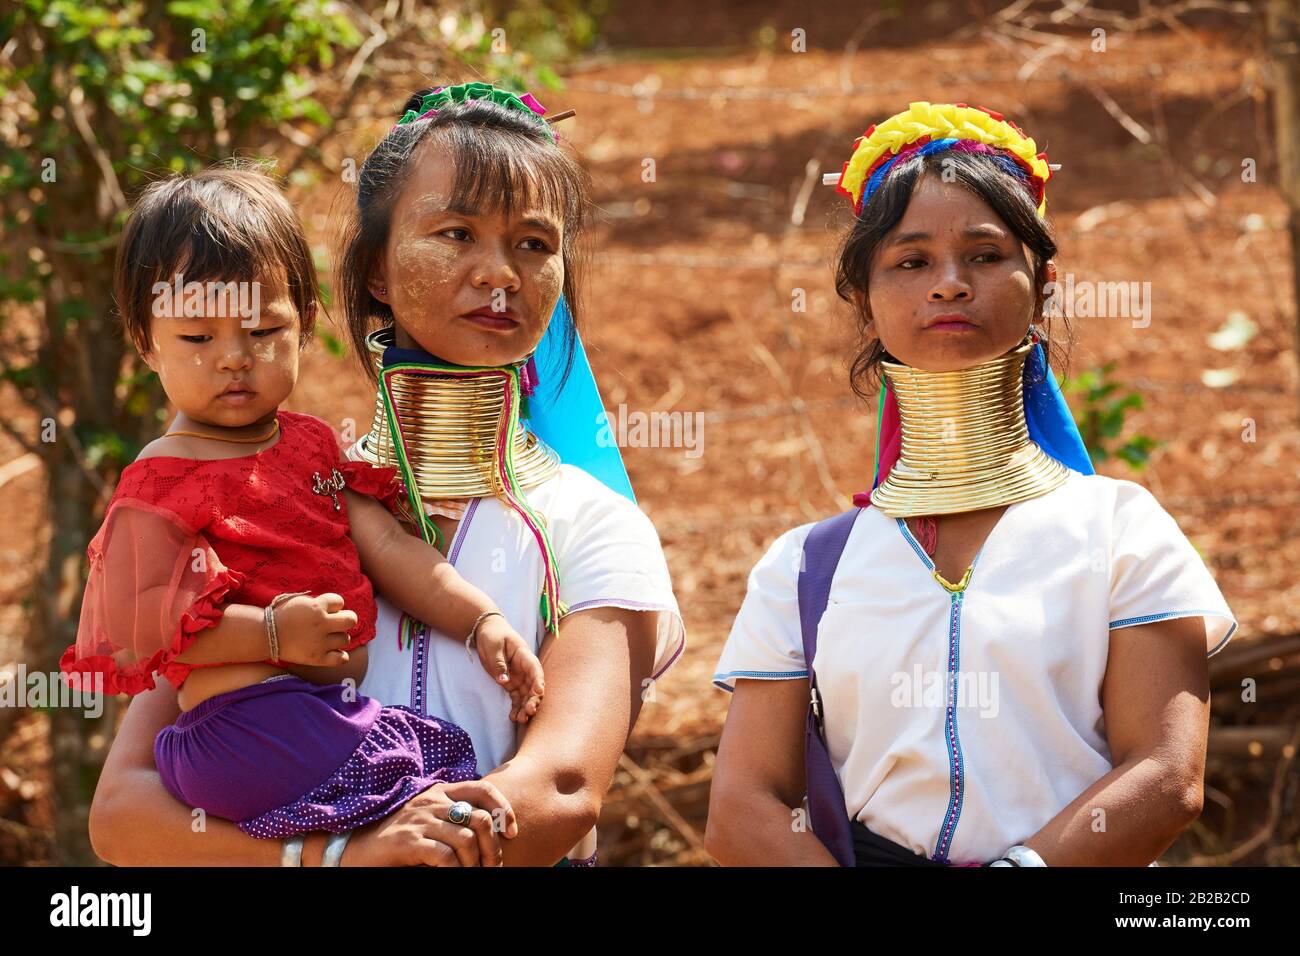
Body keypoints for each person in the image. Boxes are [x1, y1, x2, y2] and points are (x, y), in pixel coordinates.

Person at [88, 83, 686, 867]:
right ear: (374, 269)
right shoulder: (266, 496)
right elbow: (125, 812)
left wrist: (409, 846)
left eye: (535, 244)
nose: (499, 272)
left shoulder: (590, 525)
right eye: (456, 233)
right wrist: (341, 858)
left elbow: (564, 788)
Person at [705, 102, 1237, 867]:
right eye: (910, 261)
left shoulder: (1122, 533)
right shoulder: (804, 569)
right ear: (863, 297)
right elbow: (742, 809)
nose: (949, 284)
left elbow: (1166, 775)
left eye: (985, 256)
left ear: (1042, 283)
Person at [62, 163, 548, 857]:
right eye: (197, 340)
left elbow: (390, 549)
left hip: (317, 722)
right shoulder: (160, 482)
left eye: (262, 331)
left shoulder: (312, 447)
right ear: (146, 342)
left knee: (446, 764)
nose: (233, 358)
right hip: (244, 731)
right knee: (434, 791)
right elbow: (138, 631)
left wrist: (481, 622)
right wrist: (267, 634)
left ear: (306, 321)